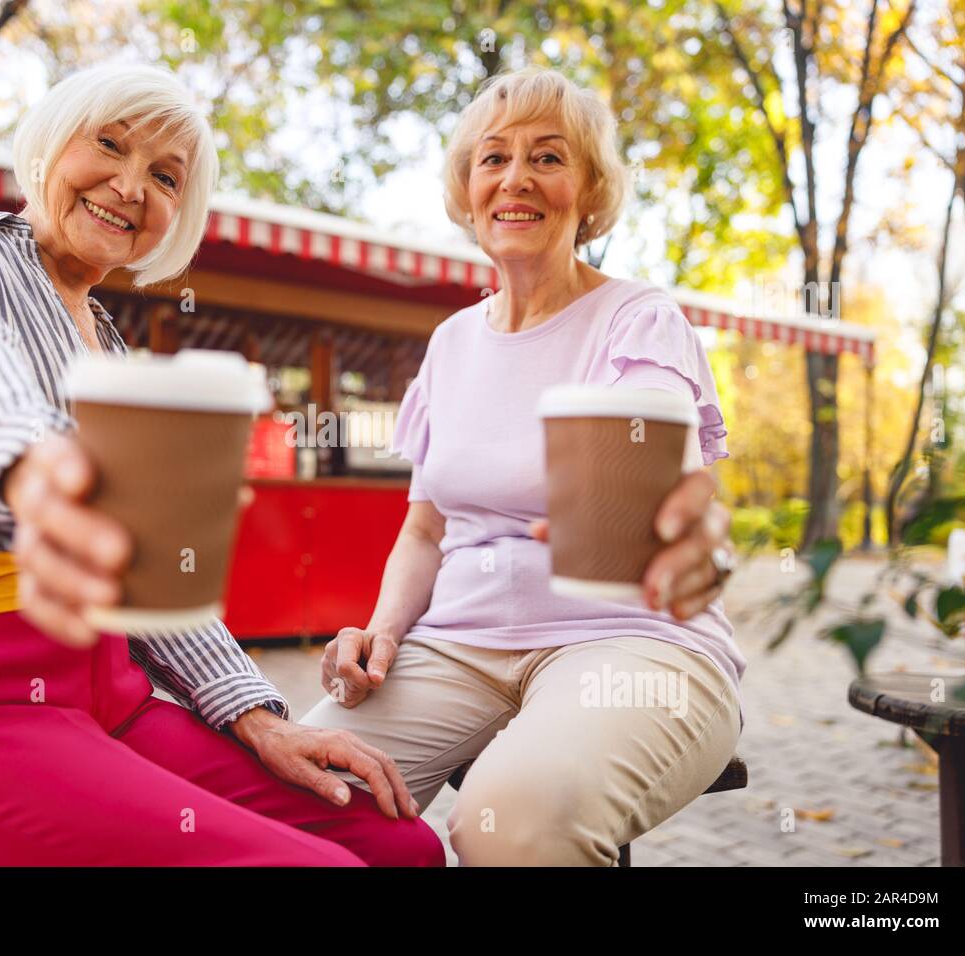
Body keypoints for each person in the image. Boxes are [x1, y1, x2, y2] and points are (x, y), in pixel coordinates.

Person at [0, 62, 442, 867]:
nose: (131, 185)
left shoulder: (114, 348)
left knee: (397, 844)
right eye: (109, 144)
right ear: (50, 146)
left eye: (165, 176)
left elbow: (145, 571)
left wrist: (259, 717)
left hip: (102, 695)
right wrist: (33, 470)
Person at [300, 67, 745, 866]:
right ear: (468, 190)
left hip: (632, 640)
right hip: (459, 647)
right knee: (297, 787)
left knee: (515, 821)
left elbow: (655, 472)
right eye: (493, 158)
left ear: (589, 191)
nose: (517, 179)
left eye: (548, 158)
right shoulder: (451, 343)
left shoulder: (638, 318)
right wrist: (383, 632)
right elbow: (426, 529)